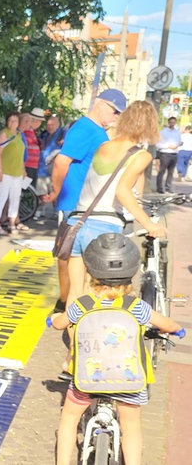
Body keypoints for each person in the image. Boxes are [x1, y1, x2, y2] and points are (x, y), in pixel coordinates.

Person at [48, 232, 183, 465]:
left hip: (86, 381)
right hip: (128, 382)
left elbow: (60, 323)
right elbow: (167, 324)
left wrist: (54, 319)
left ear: (90, 272)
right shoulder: (135, 306)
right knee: (132, 426)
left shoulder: (83, 305)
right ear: (131, 273)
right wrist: (177, 330)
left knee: (69, 418)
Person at [59, 100, 164, 379]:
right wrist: (149, 224)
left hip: (77, 223)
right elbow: (123, 192)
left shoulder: (103, 146)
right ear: (149, 126)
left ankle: (71, 358)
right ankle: (96, 357)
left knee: (75, 294)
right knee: (103, 295)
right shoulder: (139, 155)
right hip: (104, 229)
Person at [42, 88, 124, 310]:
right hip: (76, 204)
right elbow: (61, 162)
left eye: (119, 114)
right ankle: (65, 301)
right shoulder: (86, 128)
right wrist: (58, 192)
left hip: (87, 204)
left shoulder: (95, 130)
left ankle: (71, 302)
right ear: (101, 104)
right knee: (68, 255)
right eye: (115, 111)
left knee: (74, 256)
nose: (116, 118)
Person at [0, 111, 26, 235]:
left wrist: (23, 169)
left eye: (15, 121)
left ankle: (12, 222)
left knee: (15, 197)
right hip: (5, 170)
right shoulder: (4, 134)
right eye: (10, 120)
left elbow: (20, 155)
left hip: (17, 171)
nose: (13, 123)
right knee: (1, 196)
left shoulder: (19, 135)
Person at [35, 114, 65, 220]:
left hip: (55, 168)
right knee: (41, 191)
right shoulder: (44, 134)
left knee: (54, 189)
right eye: (48, 125)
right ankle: (40, 209)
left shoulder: (62, 133)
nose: (50, 127)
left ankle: (56, 211)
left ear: (57, 125)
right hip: (42, 167)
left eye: (52, 125)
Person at [155, 116, 180, 194]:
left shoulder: (177, 132)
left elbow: (179, 141)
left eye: (174, 122)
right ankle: (159, 188)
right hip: (165, 154)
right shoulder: (163, 132)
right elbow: (157, 144)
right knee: (162, 171)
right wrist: (168, 146)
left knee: (171, 172)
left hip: (174, 154)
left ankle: (168, 187)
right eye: (171, 122)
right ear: (168, 122)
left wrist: (179, 144)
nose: (172, 124)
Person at [22, 109, 45, 182]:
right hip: (27, 165)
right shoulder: (26, 131)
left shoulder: (31, 131)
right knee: (25, 189)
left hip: (32, 165)